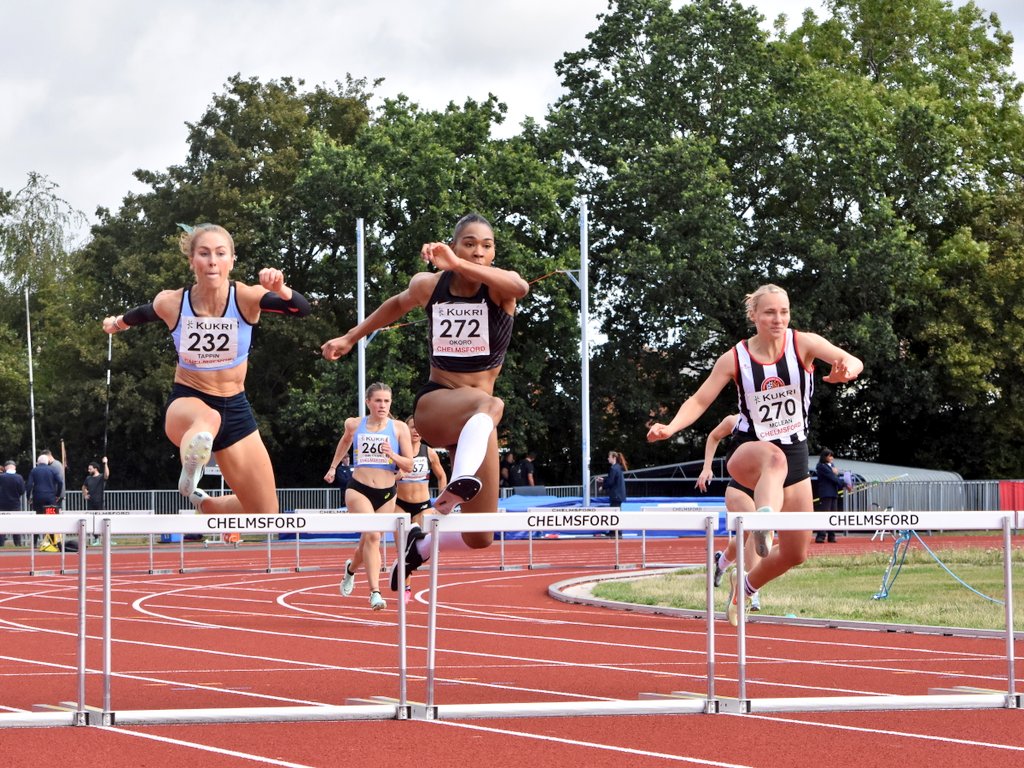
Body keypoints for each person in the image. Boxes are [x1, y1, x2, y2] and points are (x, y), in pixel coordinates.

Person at [322, 212, 529, 593]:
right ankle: (458, 483)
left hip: (475, 424)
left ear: (494, 252)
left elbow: (520, 285)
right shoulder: (430, 286)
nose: (478, 251)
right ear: (453, 245)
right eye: (469, 243)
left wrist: (460, 263)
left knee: (481, 536)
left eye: (486, 245)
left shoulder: (500, 290)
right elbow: (394, 306)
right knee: (494, 405)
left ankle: (421, 546)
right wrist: (350, 338)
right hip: (437, 404)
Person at [647, 284, 862, 626]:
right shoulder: (735, 358)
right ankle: (764, 522)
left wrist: (847, 370)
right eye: (769, 312)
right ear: (753, 316)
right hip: (749, 449)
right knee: (772, 459)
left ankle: (744, 587)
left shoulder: (802, 343)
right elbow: (701, 400)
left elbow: (850, 358)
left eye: (784, 312)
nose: (778, 319)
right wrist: (671, 427)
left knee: (796, 553)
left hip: (796, 455)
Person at [102, 223, 310, 517]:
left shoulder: (246, 298)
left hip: (236, 408)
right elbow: (144, 312)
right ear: (192, 261)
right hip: (188, 402)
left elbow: (301, 309)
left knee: (267, 514)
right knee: (207, 419)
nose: (212, 260)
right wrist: (118, 323)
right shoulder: (173, 302)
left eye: (220, 253)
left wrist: (280, 288)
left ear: (231, 260)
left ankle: (211, 505)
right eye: (204, 253)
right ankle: (192, 466)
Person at [324, 383, 413, 610]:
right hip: (359, 489)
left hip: (386, 493)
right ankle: (375, 592)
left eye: (386, 401)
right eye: (378, 401)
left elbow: (409, 465)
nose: (382, 405)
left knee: (368, 541)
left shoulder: (399, 428)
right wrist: (333, 467)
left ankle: (350, 569)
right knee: (373, 537)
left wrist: (392, 454)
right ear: (368, 402)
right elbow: (344, 442)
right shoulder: (354, 424)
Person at [697, 415, 766, 611]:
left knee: (747, 538)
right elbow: (713, 436)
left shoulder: (777, 423)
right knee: (755, 529)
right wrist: (707, 467)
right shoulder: (734, 420)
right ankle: (752, 591)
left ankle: (722, 561)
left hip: (763, 489)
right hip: (738, 488)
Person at [395, 415, 448, 602]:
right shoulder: (398, 451)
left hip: (423, 505)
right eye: (411, 427)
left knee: (420, 548)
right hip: (400, 505)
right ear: (405, 430)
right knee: (402, 548)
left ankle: (410, 572)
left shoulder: (429, 452)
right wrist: (397, 475)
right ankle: (406, 586)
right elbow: (387, 477)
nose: (416, 431)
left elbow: (441, 475)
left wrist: (443, 498)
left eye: (419, 428)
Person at [26, 455, 64, 549]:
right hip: (50, 498)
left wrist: (28, 497)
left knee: (37, 519)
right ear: (47, 462)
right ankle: (54, 542)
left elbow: (29, 484)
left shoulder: (34, 470)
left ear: (38, 462)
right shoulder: (53, 470)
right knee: (52, 520)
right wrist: (58, 494)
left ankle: (34, 542)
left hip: (38, 498)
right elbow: (60, 482)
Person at [814, 448, 846, 543]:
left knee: (833, 515)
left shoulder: (832, 466)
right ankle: (820, 536)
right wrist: (845, 484)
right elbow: (832, 478)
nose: (832, 458)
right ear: (825, 456)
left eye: (832, 456)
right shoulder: (821, 466)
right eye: (830, 456)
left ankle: (831, 536)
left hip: (833, 493)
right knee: (825, 514)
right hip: (825, 493)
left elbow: (835, 477)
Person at [83, 457, 110, 545]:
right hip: (91, 502)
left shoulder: (101, 477)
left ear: (95, 469)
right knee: (93, 521)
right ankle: (96, 539)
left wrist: (105, 463)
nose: (88, 470)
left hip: (100, 502)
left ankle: (105, 538)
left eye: (90, 469)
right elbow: (83, 487)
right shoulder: (88, 478)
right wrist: (85, 495)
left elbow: (107, 475)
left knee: (102, 520)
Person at [0, 459, 26, 547]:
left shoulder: (1, 477)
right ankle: (18, 543)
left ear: (5, 467)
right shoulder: (19, 477)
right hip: (15, 504)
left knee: (2, 524)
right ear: (14, 467)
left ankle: (1, 544)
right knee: (16, 524)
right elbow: (22, 491)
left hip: (2, 504)